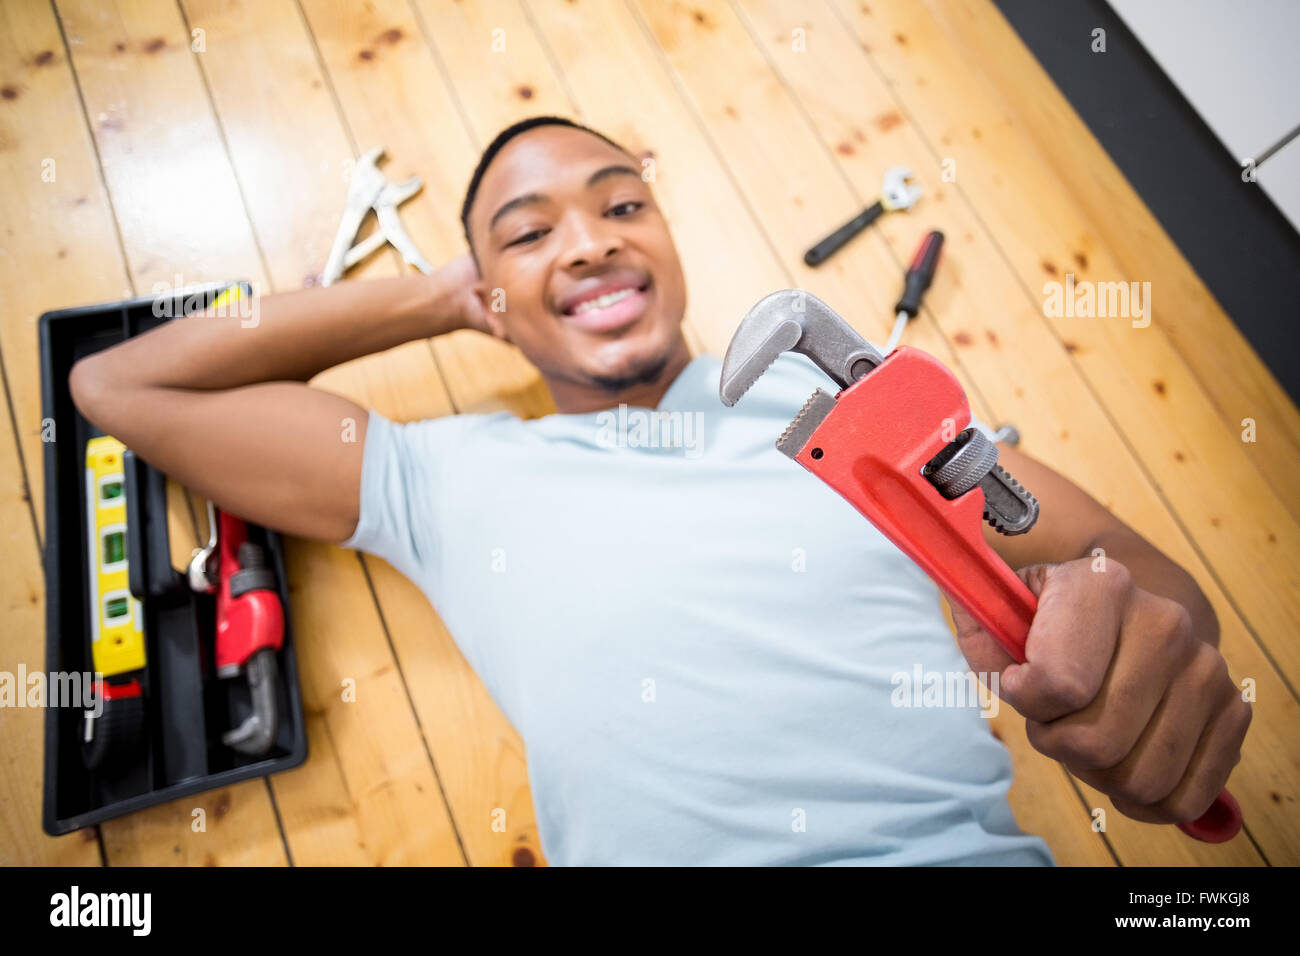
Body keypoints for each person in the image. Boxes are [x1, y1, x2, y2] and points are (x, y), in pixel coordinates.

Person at [69, 115, 1250, 866]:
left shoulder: (870, 436)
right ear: (487, 293)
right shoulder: (445, 473)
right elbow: (120, 383)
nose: (587, 242)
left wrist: (1149, 669)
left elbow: (1148, 586)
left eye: (621, 204)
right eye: (529, 234)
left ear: (669, 241)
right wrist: (431, 293)